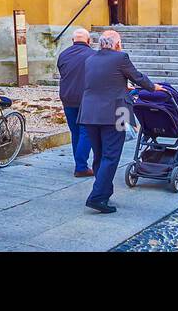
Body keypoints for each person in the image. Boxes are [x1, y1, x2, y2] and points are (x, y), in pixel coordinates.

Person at [78, 29, 159, 214]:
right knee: (111, 155)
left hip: (89, 113)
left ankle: (104, 192)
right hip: (117, 112)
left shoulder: (90, 59)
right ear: (116, 44)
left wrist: (121, 85)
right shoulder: (120, 58)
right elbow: (137, 77)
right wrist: (154, 87)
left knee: (99, 155)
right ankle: (97, 197)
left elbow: (102, 82)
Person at [56, 27, 95, 179]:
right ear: (89, 41)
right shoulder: (93, 55)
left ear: (73, 40)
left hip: (67, 98)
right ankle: (81, 167)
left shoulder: (63, 55)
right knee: (87, 131)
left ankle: (79, 163)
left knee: (75, 132)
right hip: (87, 99)